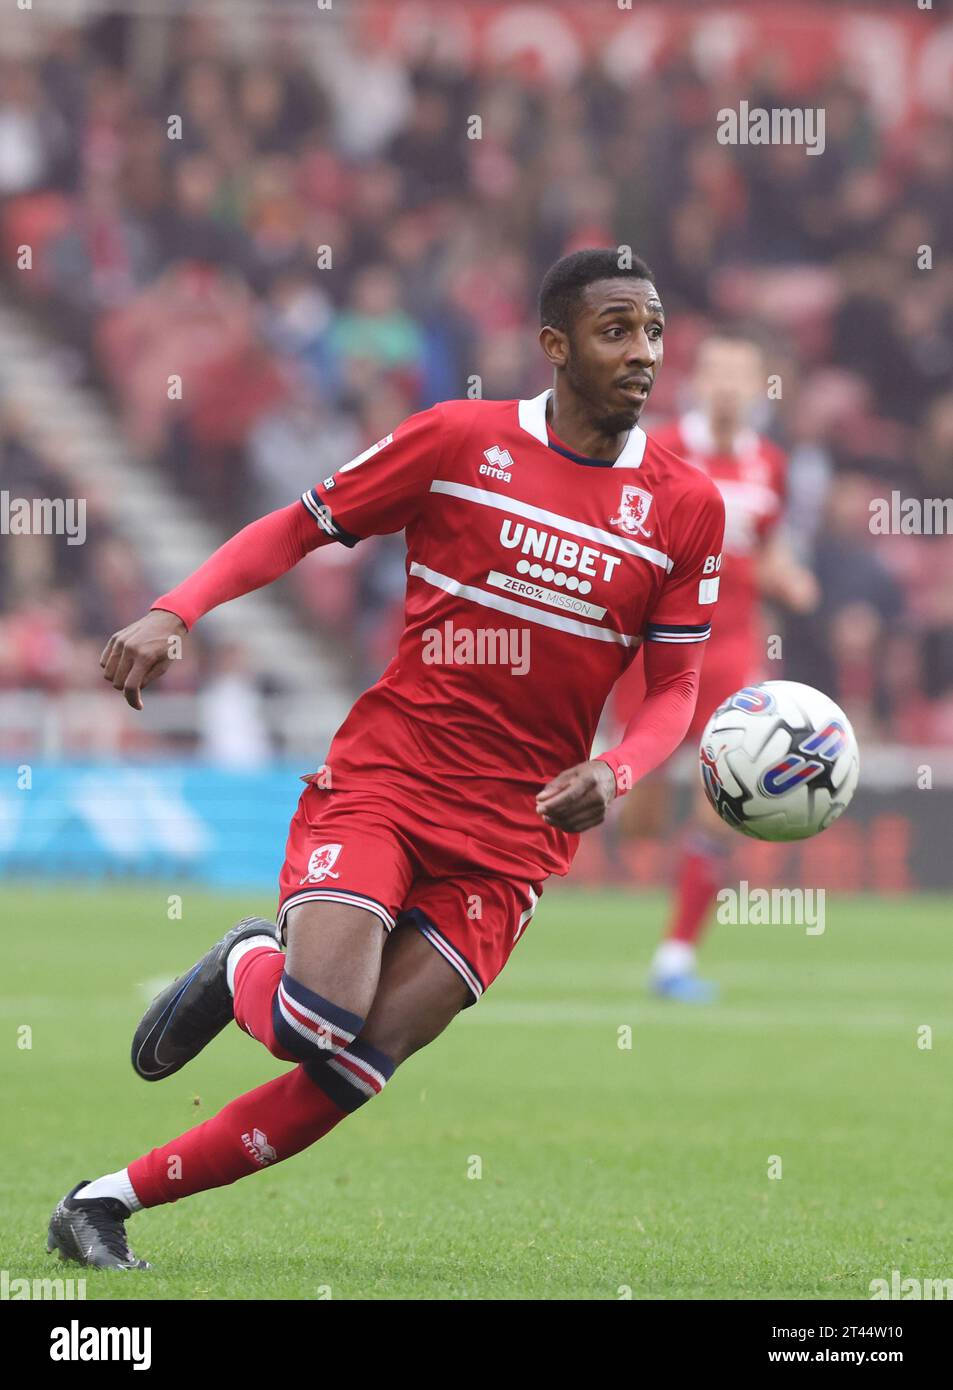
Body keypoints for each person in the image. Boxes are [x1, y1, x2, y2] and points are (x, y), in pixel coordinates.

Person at [47, 248, 725, 1269]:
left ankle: (100, 1203)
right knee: (313, 1018)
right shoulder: (457, 440)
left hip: (514, 836)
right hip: (392, 780)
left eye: (653, 330)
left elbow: (674, 688)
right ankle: (244, 959)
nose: (642, 353)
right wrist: (174, 608)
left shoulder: (683, 506)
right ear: (553, 345)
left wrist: (618, 769)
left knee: (357, 1064)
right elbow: (298, 527)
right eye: (615, 329)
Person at [611, 332, 817, 1002]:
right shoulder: (656, 449)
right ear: (697, 382)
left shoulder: (769, 464)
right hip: (656, 650)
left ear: (759, 386)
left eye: (741, 374)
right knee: (639, 819)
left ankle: (673, 957)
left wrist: (789, 579)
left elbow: (767, 545)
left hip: (730, 651)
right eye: (718, 373)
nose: (728, 386)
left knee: (723, 801)